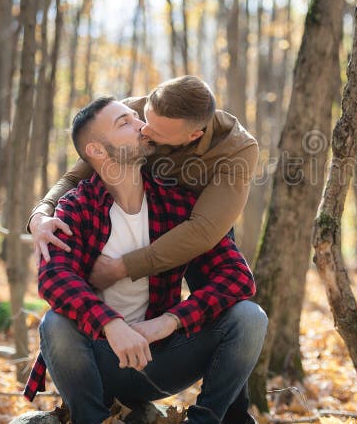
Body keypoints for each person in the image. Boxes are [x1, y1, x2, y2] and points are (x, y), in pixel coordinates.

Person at [23, 97, 267, 424]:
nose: (143, 126)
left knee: (249, 317)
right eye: (125, 123)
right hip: (99, 361)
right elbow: (53, 278)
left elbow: (238, 277)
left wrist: (168, 321)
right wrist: (111, 325)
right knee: (54, 324)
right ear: (96, 150)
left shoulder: (177, 203)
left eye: (136, 118)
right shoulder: (76, 208)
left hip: (162, 358)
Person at [28, 75, 259, 291]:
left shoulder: (237, 148)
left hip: (196, 224)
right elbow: (76, 175)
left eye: (155, 131)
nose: (143, 129)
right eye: (145, 118)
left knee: (219, 304)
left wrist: (122, 267)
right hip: (134, 210)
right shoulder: (133, 113)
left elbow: (203, 230)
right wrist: (40, 214)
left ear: (193, 136)